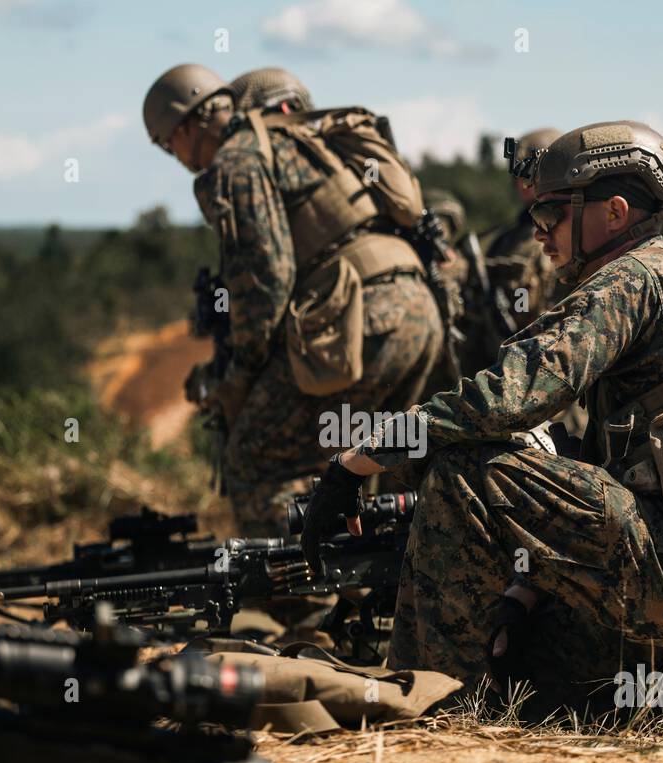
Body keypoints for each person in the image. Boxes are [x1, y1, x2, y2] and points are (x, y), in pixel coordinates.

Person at [301, 121, 663, 732]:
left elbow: (505, 399)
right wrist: (522, 594)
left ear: (614, 211)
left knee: (471, 470)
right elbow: (616, 468)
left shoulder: (632, 279)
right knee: (529, 664)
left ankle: (429, 709)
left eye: (551, 212)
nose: (538, 230)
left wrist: (357, 462)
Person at [142, 64, 442, 537]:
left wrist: (240, 376)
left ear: (187, 124)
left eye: (166, 144)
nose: (176, 157)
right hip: (417, 313)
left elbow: (265, 278)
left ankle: (302, 599)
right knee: (365, 457)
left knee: (253, 458)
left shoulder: (237, 160)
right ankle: (381, 592)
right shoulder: (296, 140)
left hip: (366, 322)